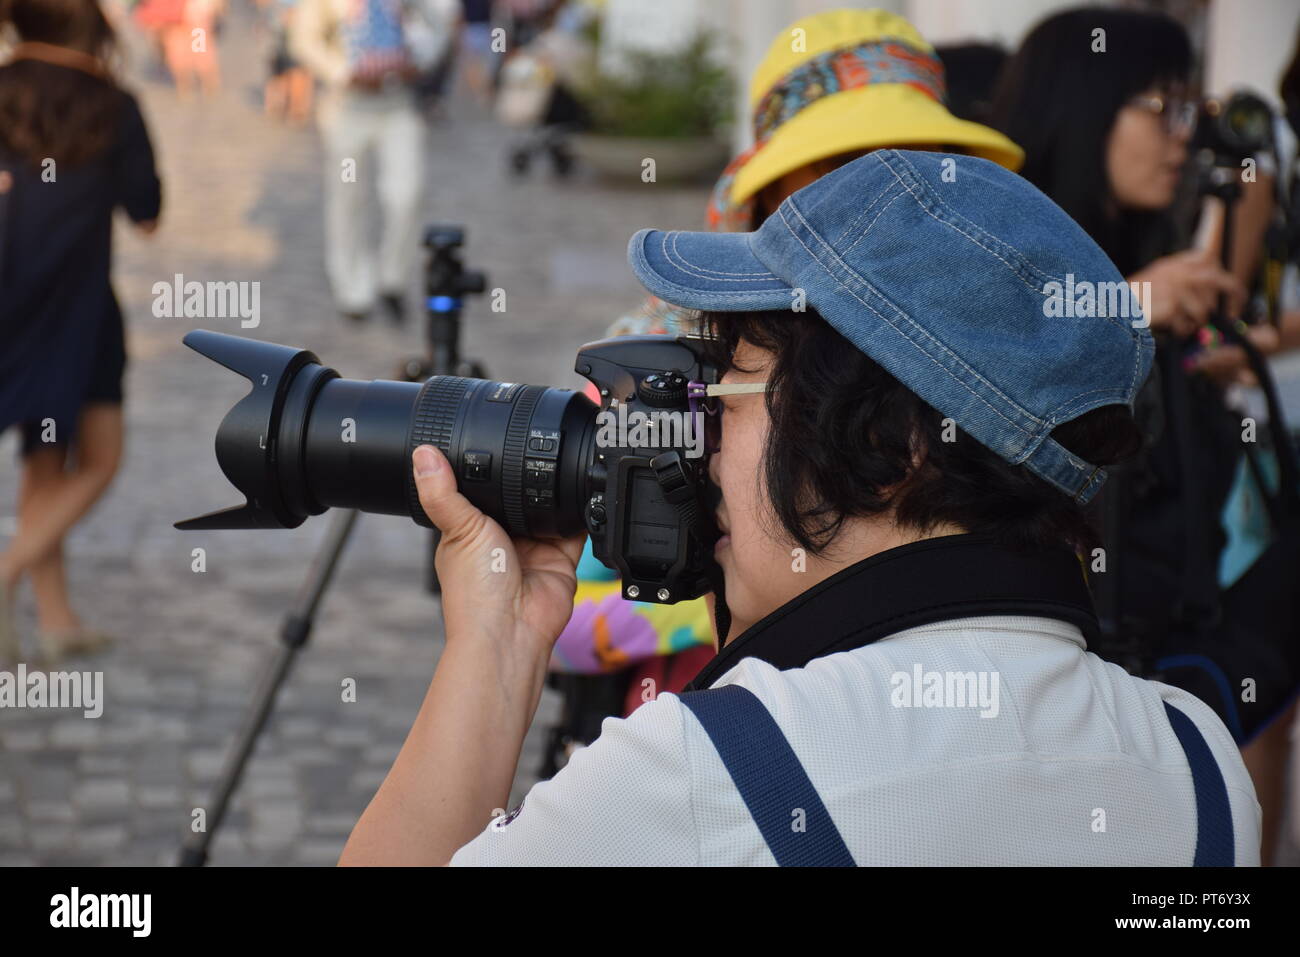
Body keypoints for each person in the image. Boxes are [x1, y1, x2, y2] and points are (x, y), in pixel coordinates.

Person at [340, 149, 1259, 866]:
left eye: (733, 387)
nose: (693, 444)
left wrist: (495, 649)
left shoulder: (708, 771)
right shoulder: (1199, 764)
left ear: (886, 451)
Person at [549, 8, 1025, 735]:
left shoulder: (973, 362)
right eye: (841, 167)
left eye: (913, 167)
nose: (878, 204)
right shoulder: (653, 368)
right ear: (766, 196)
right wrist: (731, 582)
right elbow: (573, 622)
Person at [990, 5, 1300, 865]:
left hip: (1168, 649)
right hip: (1065, 688)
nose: (1181, 137)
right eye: (1159, 107)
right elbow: (983, 370)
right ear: (1085, 107)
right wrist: (1127, 305)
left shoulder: (1145, 239)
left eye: (1191, 111)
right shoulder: (1009, 242)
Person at [0, 0, 162, 664]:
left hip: (9, 304)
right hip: (79, 310)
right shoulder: (112, 103)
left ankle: (56, 618)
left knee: (46, 458)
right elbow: (147, 212)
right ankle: (6, 575)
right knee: (99, 460)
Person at [291, 0, 446, 323]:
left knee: (406, 194)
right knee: (349, 198)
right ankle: (353, 288)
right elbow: (304, 39)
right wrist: (343, 73)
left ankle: (393, 279)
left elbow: (440, 19)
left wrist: (419, 60)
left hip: (398, 105)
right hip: (348, 108)